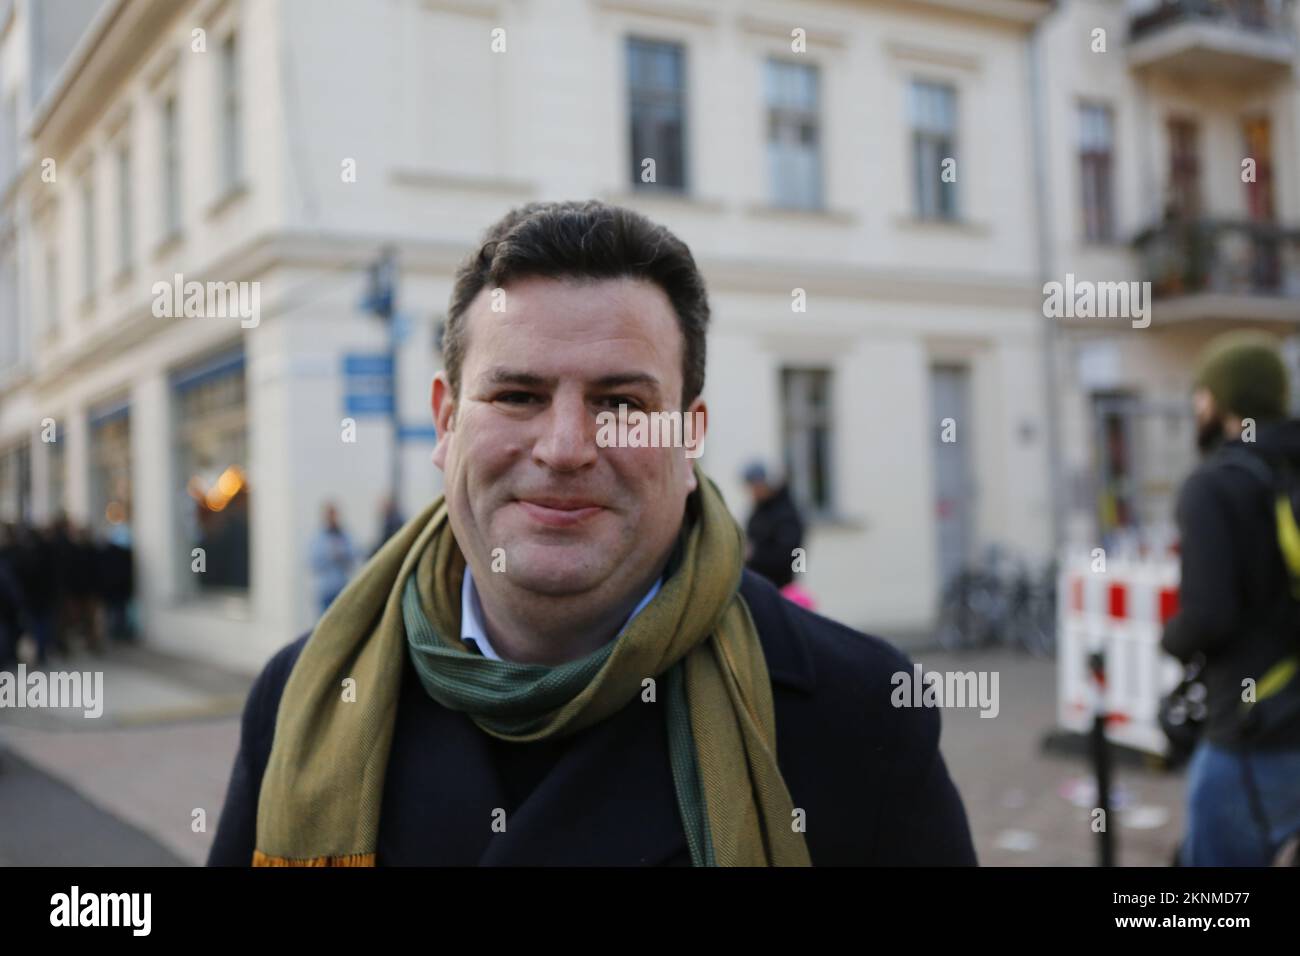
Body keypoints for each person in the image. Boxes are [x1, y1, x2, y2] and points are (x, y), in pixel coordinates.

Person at [209, 200, 974, 867]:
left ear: (689, 435)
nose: (566, 446)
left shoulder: (861, 715)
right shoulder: (302, 698)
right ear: (446, 423)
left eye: (621, 402)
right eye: (516, 394)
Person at [1162, 331, 1300, 866]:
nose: (1197, 406)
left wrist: (1171, 639)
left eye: (1202, 395)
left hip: (1252, 730)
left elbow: (1207, 617)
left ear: (1225, 402)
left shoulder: (1215, 485)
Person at [741, 461, 809, 600]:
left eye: (755, 486)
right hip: (759, 585)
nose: (753, 491)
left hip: (780, 589)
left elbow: (790, 556)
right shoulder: (759, 509)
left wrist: (753, 554)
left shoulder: (786, 513)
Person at [309, 503, 355, 617]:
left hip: (342, 588)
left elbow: (355, 553)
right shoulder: (319, 538)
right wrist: (330, 555)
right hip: (326, 590)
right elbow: (313, 561)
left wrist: (342, 553)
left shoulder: (344, 536)